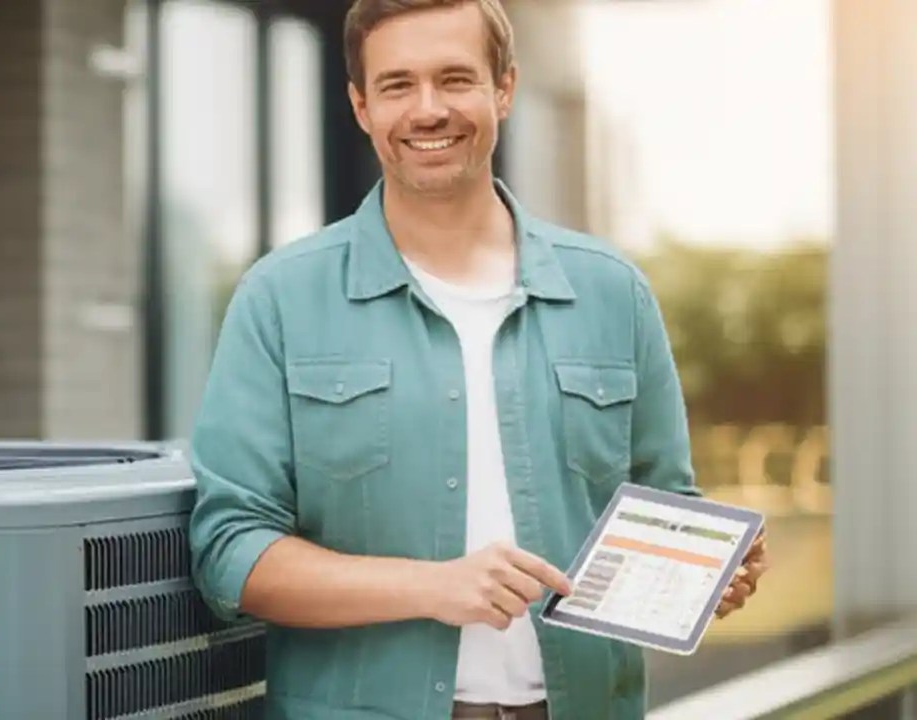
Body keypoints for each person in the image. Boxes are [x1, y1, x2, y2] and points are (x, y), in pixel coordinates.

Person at [187, 0, 769, 718]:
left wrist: (703, 573)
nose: (428, 110)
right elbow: (230, 551)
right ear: (361, 106)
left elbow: (665, 508)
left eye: (454, 79)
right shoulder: (280, 299)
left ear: (505, 88)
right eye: (398, 85)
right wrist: (433, 586)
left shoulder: (612, 294)